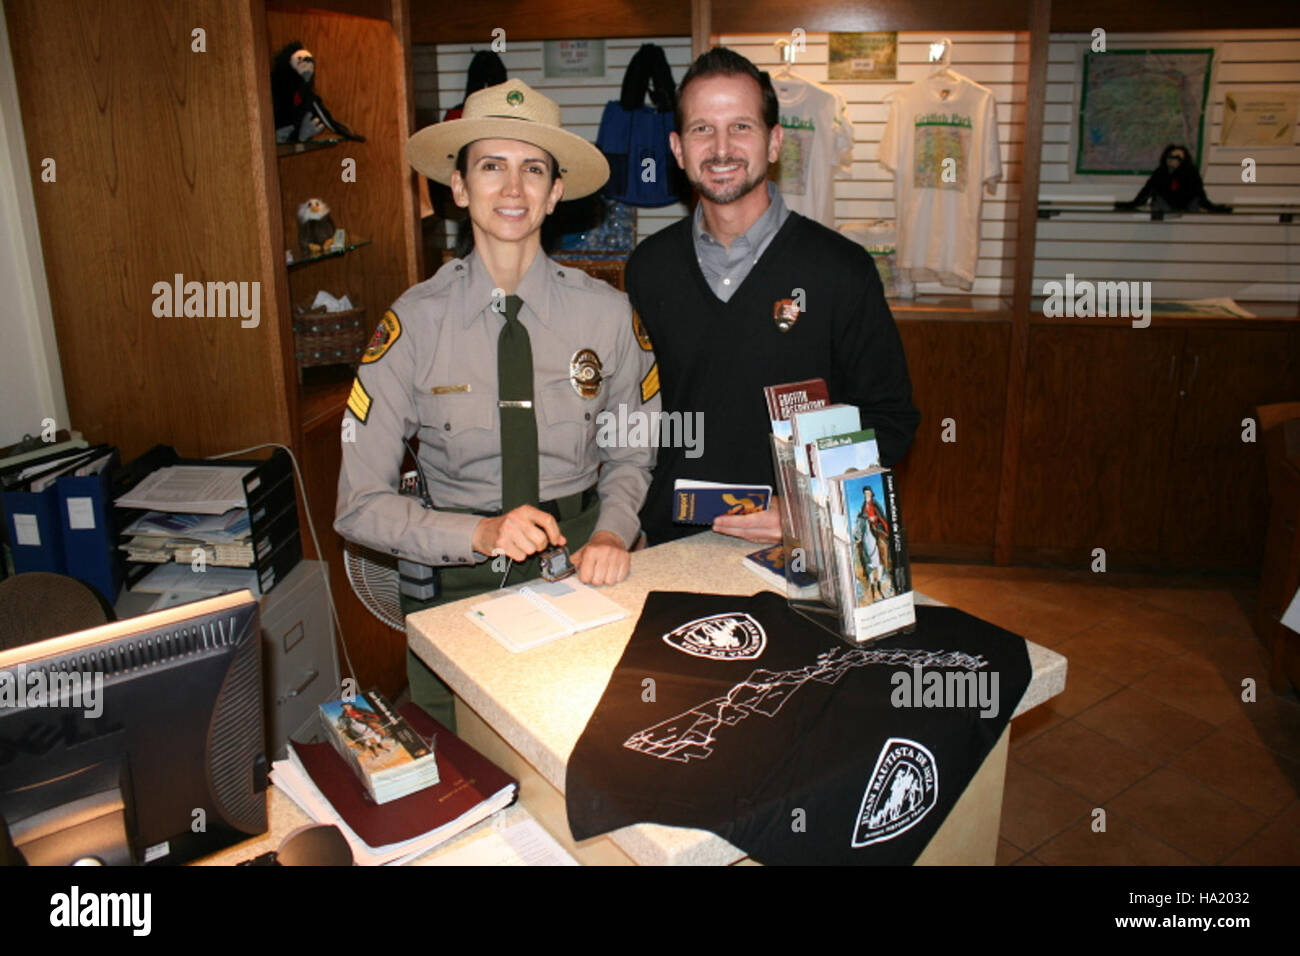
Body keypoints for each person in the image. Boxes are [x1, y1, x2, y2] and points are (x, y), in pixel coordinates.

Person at [336, 79, 659, 729]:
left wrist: (611, 533)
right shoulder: (412, 326)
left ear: (555, 193)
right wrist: (481, 533)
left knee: (588, 750)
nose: (513, 189)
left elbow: (632, 454)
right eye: (492, 166)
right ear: (458, 188)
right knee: (469, 776)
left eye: (533, 170)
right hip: (456, 588)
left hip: (584, 571)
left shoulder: (609, 316)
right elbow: (358, 508)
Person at [626, 47, 919, 547]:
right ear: (677, 149)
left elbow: (891, 420)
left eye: (741, 127)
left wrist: (807, 507)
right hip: (671, 541)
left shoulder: (841, 270)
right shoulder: (648, 268)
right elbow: (637, 414)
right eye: (702, 129)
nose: (721, 148)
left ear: (775, 142)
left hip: (798, 542)